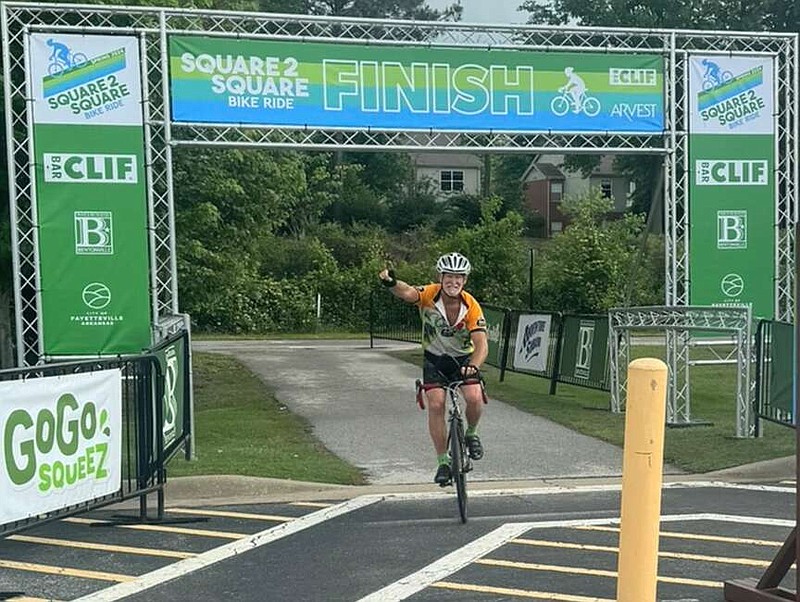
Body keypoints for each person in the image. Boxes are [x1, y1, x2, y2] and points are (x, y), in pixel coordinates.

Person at [379, 252, 488, 486]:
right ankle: (443, 462)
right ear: (441, 277)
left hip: (463, 360)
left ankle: (471, 434)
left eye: (459, 278)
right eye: (449, 276)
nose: (453, 282)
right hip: (435, 359)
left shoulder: (471, 306)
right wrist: (391, 283)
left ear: (465, 280)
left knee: (475, 397)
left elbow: (481, 345)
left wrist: (473, 367)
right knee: (436, 403)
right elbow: (408, 292)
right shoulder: (429, 295)